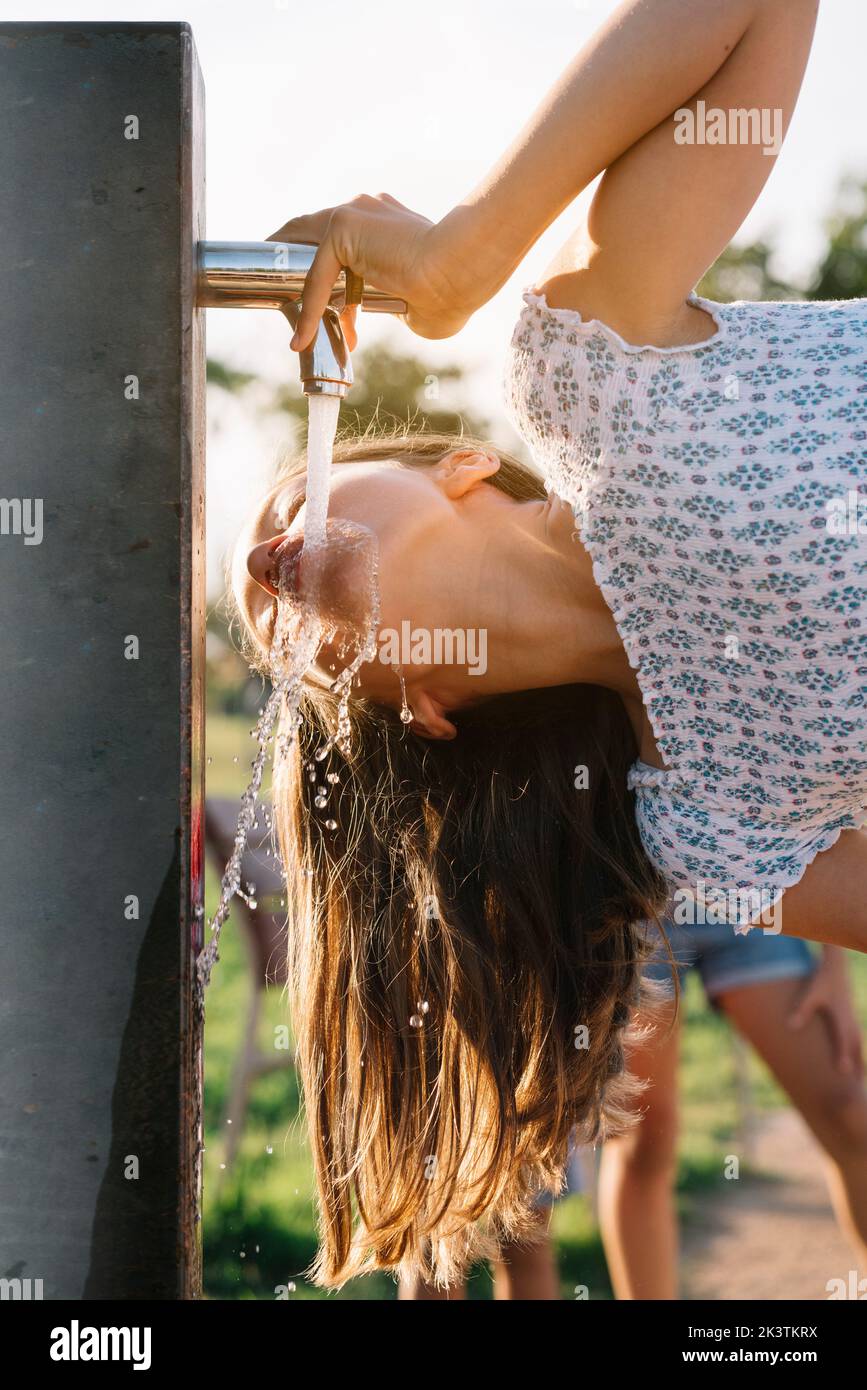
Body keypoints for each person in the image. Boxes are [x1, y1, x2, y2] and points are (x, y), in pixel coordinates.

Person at [232, 0, 867, 1288]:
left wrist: (465, 252)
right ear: (421, 709)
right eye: (271, 625)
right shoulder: (699, 827)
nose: (266, 564)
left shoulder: (591, 371)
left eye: (293, 497)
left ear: (460, 471)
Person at [599, 927, 867, 1299]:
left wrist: (833, 962)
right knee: (643, 1141)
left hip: (751, 898)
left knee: (851, 1114)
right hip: (635, 906)